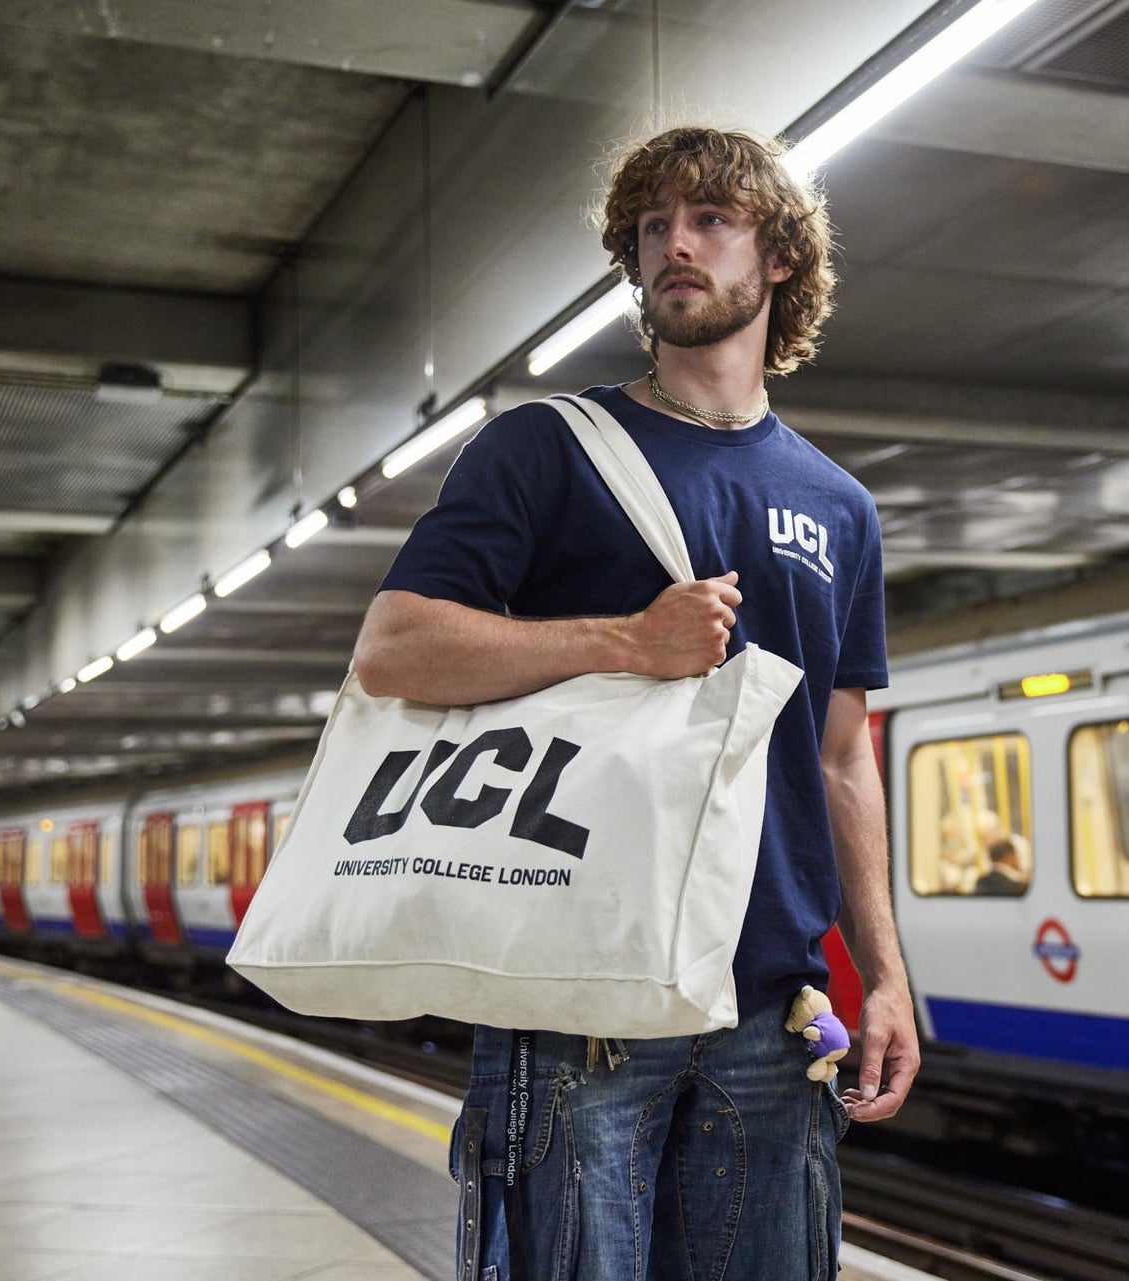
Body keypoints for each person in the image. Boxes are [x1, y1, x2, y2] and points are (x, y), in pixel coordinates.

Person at [351, 125, 917, 1281]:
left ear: (781, 263)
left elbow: (842, 757)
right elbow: (394, 649)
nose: (676, 244)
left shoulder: (838, 507)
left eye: (711, 220)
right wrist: (626, 641)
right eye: (653, 226)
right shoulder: (545, 452)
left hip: (772, 1007)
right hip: (575, 1001)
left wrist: (887, 971)